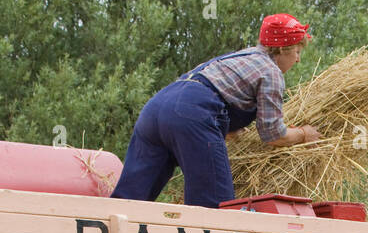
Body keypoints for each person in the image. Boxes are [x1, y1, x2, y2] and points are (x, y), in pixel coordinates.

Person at [111, 13, 321, 209]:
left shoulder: (240, 57)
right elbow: (273, 134)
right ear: (283, 50)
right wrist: (304, 134)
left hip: (155, 109)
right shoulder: (271, 71)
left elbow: (213, 94)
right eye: (297, 52)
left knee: (130, 199)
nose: (298, 59)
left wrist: (226, 127)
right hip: (191, 114)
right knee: (214, 207)